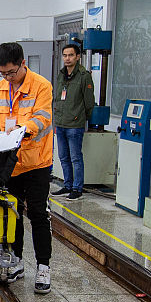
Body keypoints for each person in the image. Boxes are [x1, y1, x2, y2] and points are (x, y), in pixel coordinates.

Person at [0, 42, 55, 294]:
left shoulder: (42, 86)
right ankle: (17, 262)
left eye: (11, 73)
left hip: (36, 162)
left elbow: (43, 119)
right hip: (9, 163)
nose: (7, 78)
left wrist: (24, 130)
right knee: (10, 215)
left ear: (23, 64)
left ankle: (43, 267)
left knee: (37, 214)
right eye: (2, 73)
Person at [52, 41, 96, 199]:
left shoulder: (84, 76)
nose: (67, 58)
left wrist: (82, 118)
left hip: (75, 124)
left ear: (78, 57)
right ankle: (67, 185)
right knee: (63, 157)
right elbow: (57, 97)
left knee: (76, 157)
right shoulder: (61, 75)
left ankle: (77, 188)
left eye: (71, 55)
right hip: (61, 123)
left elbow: (89, 102)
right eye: (65, 55)